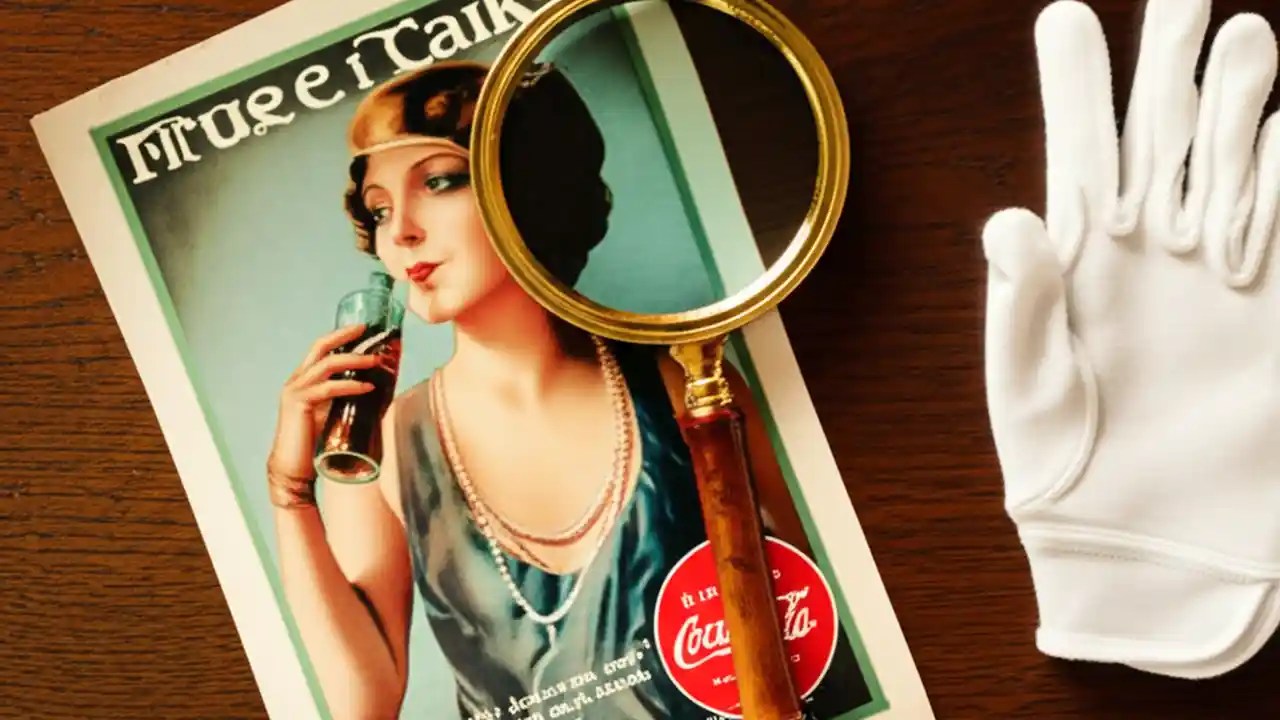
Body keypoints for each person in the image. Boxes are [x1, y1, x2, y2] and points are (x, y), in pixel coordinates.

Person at [264, 59, 831, 719]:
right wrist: (290, 493)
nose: (402, 230)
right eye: (379, 209)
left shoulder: (681, 381)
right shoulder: (381, 442)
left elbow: (824, 615)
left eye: (440, 183)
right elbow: (365, 701)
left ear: (526, 189)